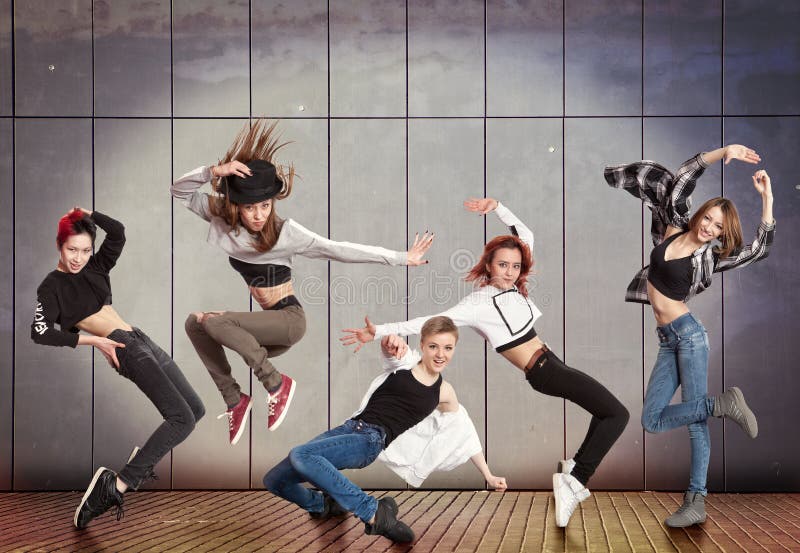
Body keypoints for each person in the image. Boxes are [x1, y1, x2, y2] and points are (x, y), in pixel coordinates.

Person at [341, 199, 629, 528]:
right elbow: (430, 320)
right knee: (617, 413)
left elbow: (526, 235)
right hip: (544, 371)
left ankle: (574, 470)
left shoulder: (516, 289)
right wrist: (378, 331)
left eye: (516, 266)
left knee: (606, 413)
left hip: (552, 363)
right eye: (503, 265)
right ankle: (575, 481)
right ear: (489, 265)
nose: (510, 272)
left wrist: (498, 207)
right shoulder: (478, 303)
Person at [172, 120, 433, 443]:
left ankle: (276, 384)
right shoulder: (220, 218)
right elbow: (179, 190)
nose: (258, 215)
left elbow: (339, 250)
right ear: (235, 206)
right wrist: (215, 171)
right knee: (195, 324)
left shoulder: (286, 234)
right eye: (250, 208)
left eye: (265, 206)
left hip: (288, 322)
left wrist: (399, 257)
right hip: (262, 336)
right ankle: (235, 400)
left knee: (216, 322)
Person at [603, 145, 775, 527]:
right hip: (668, 339)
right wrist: (724, 152)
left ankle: (695, 502)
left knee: (696, 424)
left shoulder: (710, 258)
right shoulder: (673, 225)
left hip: (690, 336)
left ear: (721, 234)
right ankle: (722, 404)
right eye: (709, 218)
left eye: (717, 228)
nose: (709, 228)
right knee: (652, 419)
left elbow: (758, 250)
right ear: (700, 214)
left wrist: (768, 200)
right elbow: (683, 176)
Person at [31, 208, 205, 529]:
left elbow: (119, 232)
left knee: (195, 409)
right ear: (60, 246)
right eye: (72, 249)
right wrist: (95, 342)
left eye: (85, 250)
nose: (78, 257)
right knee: (180, 419)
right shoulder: (53, 287)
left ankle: (139, 461)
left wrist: (88, 213)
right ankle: (116, 486)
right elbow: (40, 331)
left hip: (141, 338)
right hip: (122, 347)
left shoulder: (96, 266)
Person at [265, 316, 506, 543]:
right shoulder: (405, 363)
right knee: (275, 479)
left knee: (301, 455)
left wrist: (488, 475)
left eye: (447, 348)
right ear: (422, 344)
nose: (440, 354)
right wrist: (390, 340)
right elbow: (389, 349)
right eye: (433, 346)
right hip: (348, 429)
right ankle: (322, 505)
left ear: (454, 349)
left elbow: (465, 432)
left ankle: (372, 511)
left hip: (370, 441)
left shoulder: (445, 392)